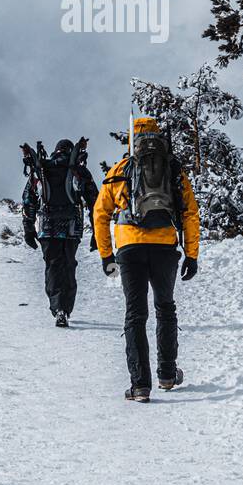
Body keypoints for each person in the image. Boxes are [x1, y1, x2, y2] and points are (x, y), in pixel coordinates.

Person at [94, 117, 199, 401]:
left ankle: (140, 384)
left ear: (133, 139)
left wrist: (106, 254)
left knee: (135, 314)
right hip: (165, 246)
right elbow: (189, 212)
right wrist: (191, 254)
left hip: (130, 248)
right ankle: (167, 374)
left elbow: (100, 214)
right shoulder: (173, 168)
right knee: (165, 308)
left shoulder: (120, 169)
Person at [22, 138, 99, 328]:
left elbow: (28, 200)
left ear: (55, 151)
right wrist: (98, 232)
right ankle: (66, 308)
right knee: (69, 265)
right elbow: (95, 203)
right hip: (72, 227)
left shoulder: (42, 169)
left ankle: (58, 309)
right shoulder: (78, 170)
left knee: (53, 266)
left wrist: (28, 228)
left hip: (47, 227)